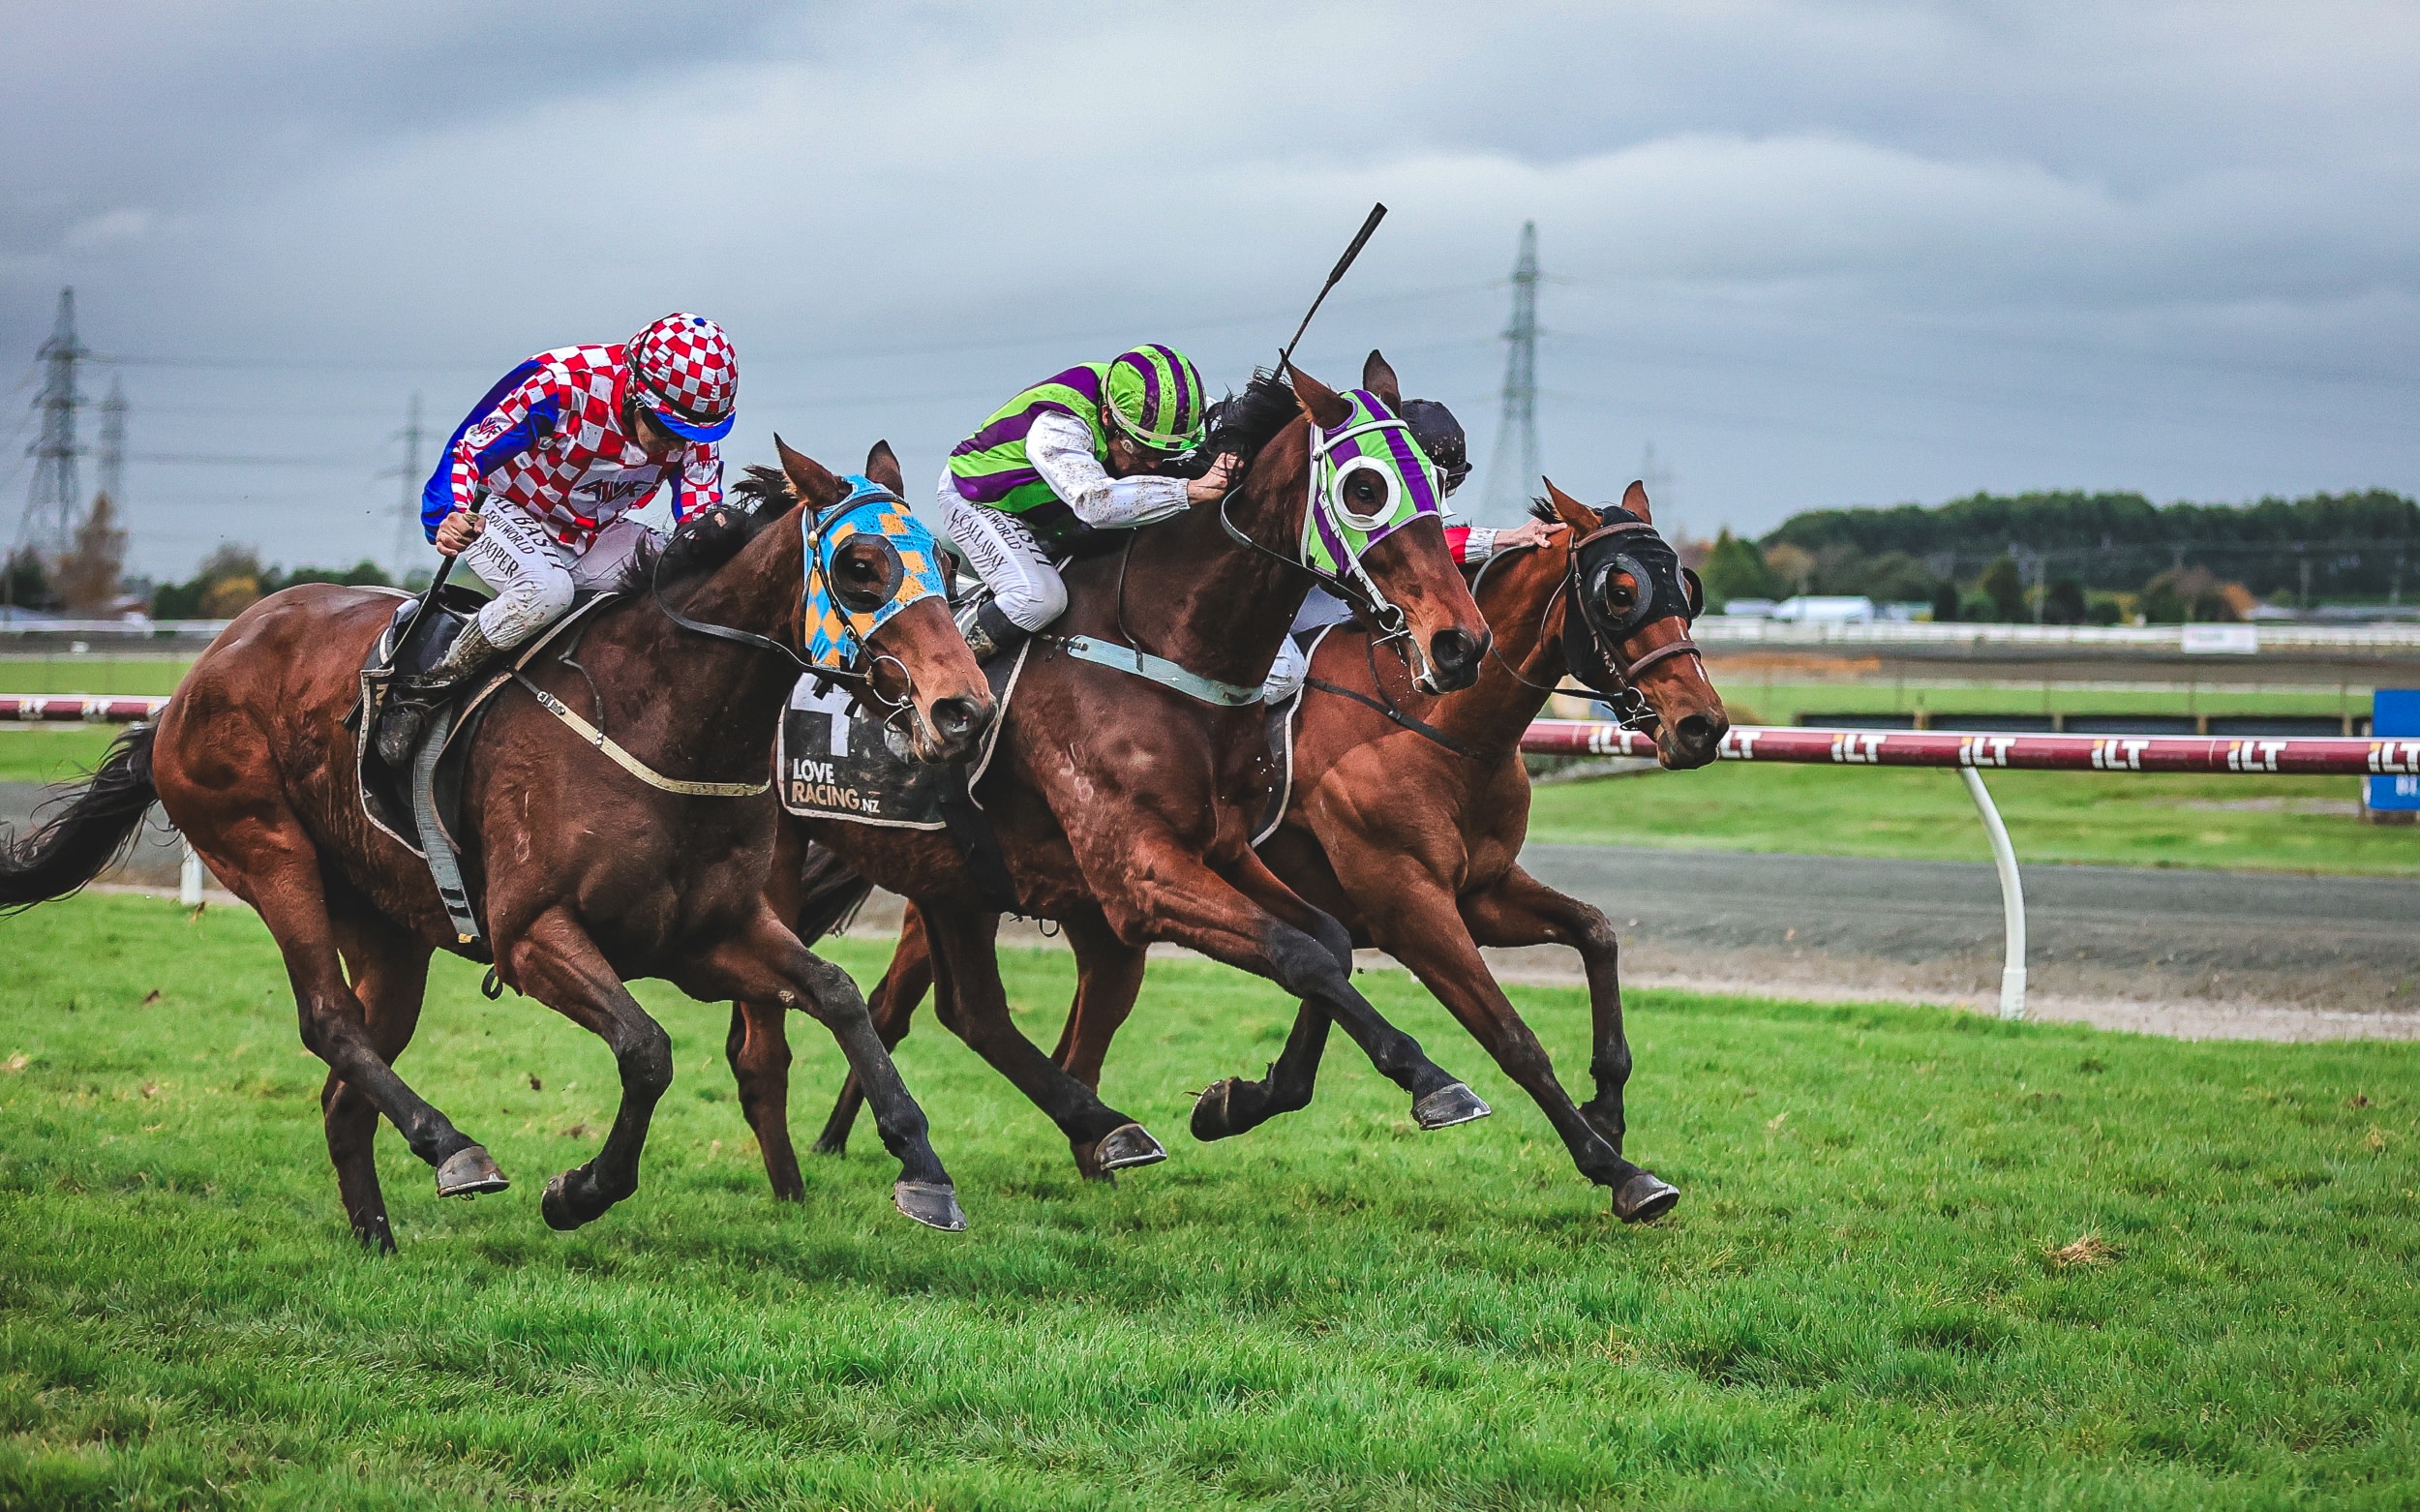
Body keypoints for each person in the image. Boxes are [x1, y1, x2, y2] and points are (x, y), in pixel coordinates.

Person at [375, 313, 737, 764]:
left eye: (690, 437)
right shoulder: (561, 384)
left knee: (682, 580)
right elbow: (469, 449)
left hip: (592, 532)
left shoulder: (692, 429)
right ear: (634, 391)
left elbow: (697, 521)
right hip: (504, 511)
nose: (676, 449)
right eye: (666, 432)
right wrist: (450, 512)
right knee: (549, 591)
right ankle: (425, 690)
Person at [940, 346, 1236, 660]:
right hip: (980, 498)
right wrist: (1189, 490)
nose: (1154, 464)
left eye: (1165, 453)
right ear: (1108, 417)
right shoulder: (1059, 425)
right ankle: (942, 664)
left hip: (1056, 513)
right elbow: (1096, 505)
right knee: (1039, 598)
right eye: (1141, 450)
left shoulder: (1175, 416)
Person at [1258, 396, 1560, 704]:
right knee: (1285, 673)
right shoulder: (1364, 492)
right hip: (1280, 599)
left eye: (1452, 485)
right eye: (1442, 483)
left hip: (1319, 598)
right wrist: (1506, 538)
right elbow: (1429, 552)